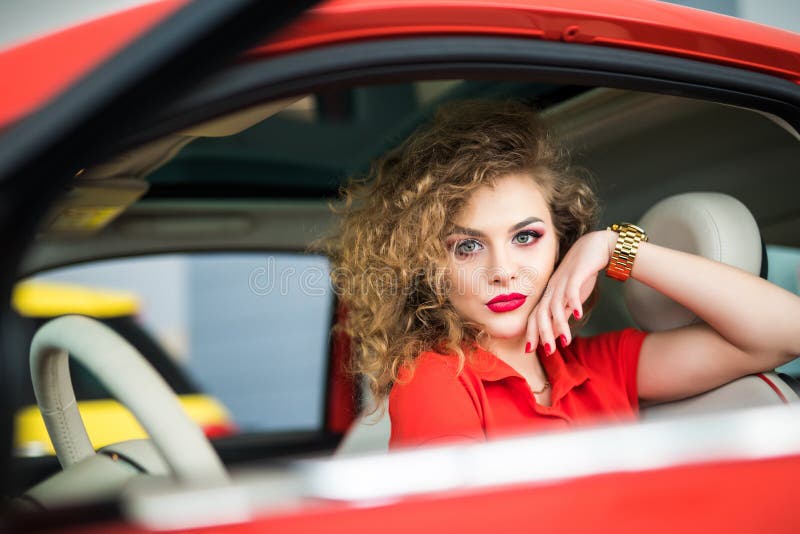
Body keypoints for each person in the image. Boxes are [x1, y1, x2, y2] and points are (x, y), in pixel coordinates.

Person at [322, 99, 800, 449]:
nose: (502, 272)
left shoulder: (602, 366)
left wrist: (615, 247)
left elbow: (785, 334)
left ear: (562, 245)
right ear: (429, 268)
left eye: (526, 237)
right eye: (467, 246)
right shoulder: (435, 377)